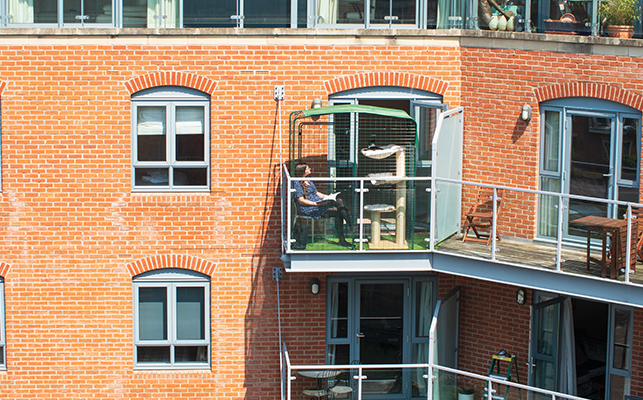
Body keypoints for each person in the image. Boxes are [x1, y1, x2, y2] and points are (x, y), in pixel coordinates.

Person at [293, 163, 353, 248]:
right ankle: (350, 229)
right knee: (339, 211)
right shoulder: (296, 182)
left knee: (339, 201)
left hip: (318, 203)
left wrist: (327, 196)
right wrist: (315, 204)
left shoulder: (309, 178)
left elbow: (316, 193)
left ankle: (350, 228)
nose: (310, 169)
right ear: (303, 171)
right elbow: (301, 200)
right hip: (309, 208)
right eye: (307, 168)